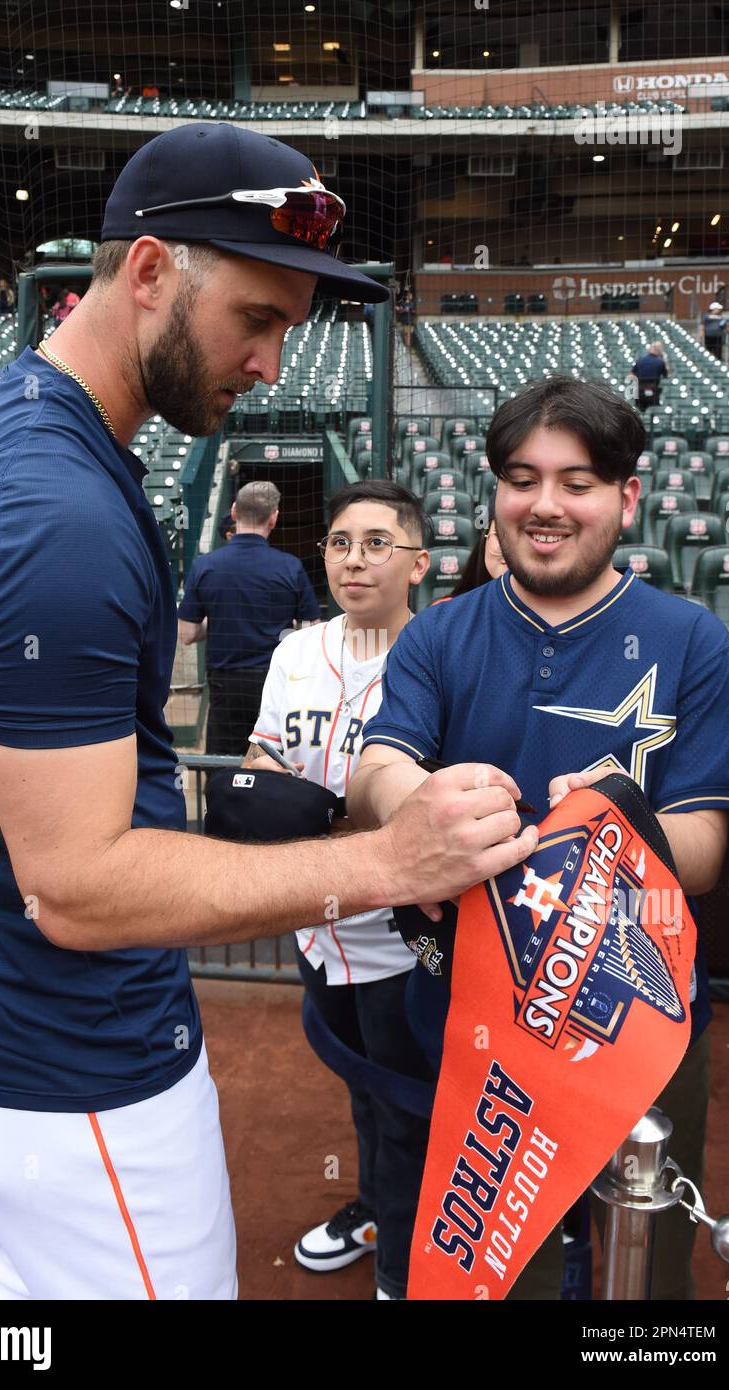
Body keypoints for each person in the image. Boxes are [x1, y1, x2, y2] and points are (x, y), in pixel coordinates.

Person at [0, 120, 538, 1302]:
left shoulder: (7, 427)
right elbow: (79, 887)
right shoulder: (59, 512)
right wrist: (389, 860)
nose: (271, 365)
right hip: (68, 1059)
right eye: (257, 318)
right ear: (149, 271)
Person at [348, 373, 729, 1301]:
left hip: (639, 1016)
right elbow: (374, 774)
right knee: (498, 1279)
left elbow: (704, 853)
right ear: (495, 492)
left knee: (648, 1277)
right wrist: (426, 801)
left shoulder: (690, 639)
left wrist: (623, 818)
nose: (546, 504)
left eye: (578, 482)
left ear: (626, 497)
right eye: (523, 477)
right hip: (475, 1016)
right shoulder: (439, 635)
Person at [244, 479, 433, 1301]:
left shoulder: (442, 655)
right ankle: (371, 1209)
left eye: (377, 543)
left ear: (419, 562)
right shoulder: (295, 653)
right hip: (316, 925)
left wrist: (311, 820)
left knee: (408, 1105)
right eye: (339, 543)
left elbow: (432, 807)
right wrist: (324, 825)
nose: (354, 559)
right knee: (361, 1087)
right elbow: (258, 769)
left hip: (403, 937)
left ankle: (406, 1261)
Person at [178, 479, 320, 756]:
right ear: (274, 518)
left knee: (223, 768)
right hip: (276, 683)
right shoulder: (290, 566)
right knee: (273, 766)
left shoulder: (205, 565)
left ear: (233, 511)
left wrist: (221, 620)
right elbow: (309, 631)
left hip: (226, 686)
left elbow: (186, 634)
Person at [628, 340, 668, 412]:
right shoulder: (660, 362)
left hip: (639, 394)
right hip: (653, 394)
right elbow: (666, 375)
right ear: (658, 352)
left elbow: (631, 375)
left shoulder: (640, 360)